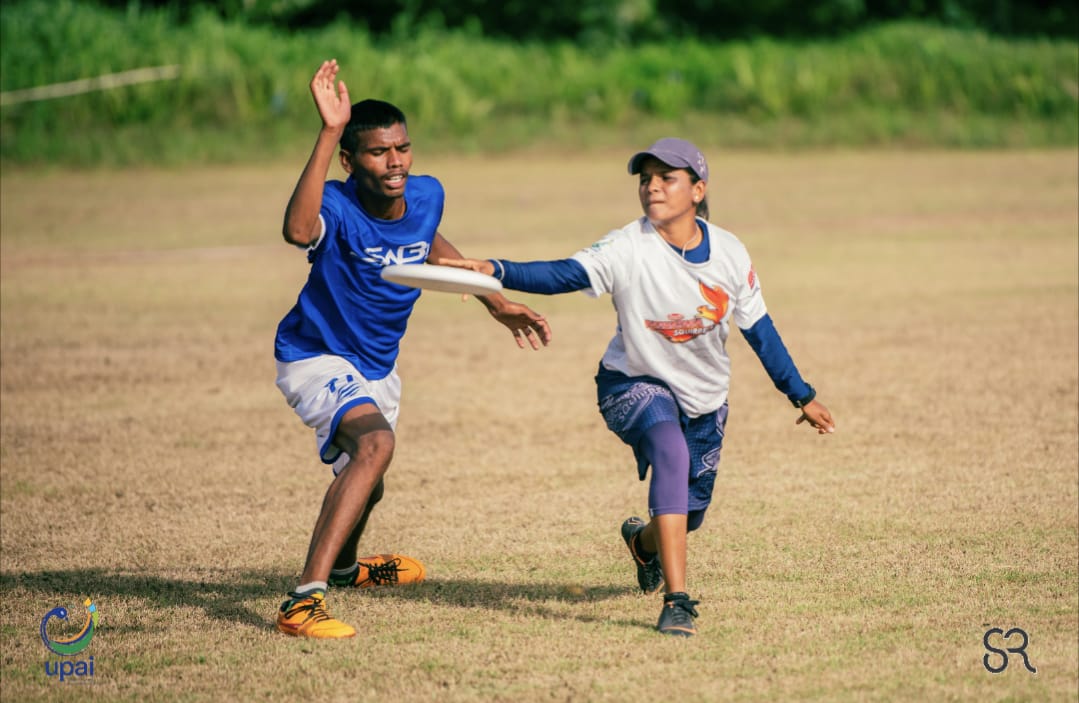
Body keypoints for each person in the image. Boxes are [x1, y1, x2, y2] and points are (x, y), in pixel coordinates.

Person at [440, 138, 835, 637]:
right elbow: (563, 273)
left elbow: (760, 331)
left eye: (667, 178)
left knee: (688, 517)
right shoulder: (627, 246)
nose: (653, 187)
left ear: (697, 190)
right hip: (630, 383)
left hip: (705, 399)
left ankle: (643, 544)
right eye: (646, 179)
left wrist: (801, 394)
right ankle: (678, 601)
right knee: (670, 452)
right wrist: (495, 270)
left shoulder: (730, 253)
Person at [272, 59, 552, 639]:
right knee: (376, 444)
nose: (395, 161)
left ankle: (345, 569)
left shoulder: (427, 194)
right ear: (350, 162)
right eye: (378, 152)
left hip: (378, 364)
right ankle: (303, 600)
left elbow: (428, 242)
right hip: (316, 354)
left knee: (368, 479)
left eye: (402, 148)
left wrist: (495, 301)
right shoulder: (336, 205)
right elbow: (298, 232)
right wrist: (329, 130)